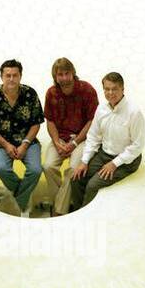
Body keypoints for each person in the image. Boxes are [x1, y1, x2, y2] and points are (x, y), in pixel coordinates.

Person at [70, 72, 144, 212]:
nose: (110, 93)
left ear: (123, 89)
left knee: (92, 185)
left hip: (126, 161)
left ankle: (85, 217)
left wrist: (114, 164)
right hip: (104, 154)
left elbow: (137, 146)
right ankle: (77, 210)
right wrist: (84, 161)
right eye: (107, 89)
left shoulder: (134, 112)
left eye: (114, 89)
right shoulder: (101, 109)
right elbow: (93, 137)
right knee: (76, 177)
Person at [0, 60, 45, 217]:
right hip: (1, 142)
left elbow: (36, 123)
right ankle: (23, 199)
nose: (11, 79)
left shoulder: (30, 94)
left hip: (27, 141)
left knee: (36, 170)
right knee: (0, 168)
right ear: (1, 77)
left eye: (15, 75)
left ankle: (16, 202)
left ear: (20, 76)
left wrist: (25, 144)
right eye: (7, 75)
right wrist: (6, 145)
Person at [42, 57, 99, 215]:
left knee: (74, 168)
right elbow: (50, 120)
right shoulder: (51, 93)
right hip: (59, 138)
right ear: (55, 76)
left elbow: (92, 121)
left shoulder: (87, 90)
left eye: (67, 73)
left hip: (81, 138)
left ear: (73, 73)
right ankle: (63, 202)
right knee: (48, 166)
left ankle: (59, 210)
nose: (64, 78)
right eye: (60, 74)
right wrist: (56, 141)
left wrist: (75, 143)